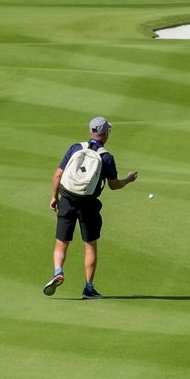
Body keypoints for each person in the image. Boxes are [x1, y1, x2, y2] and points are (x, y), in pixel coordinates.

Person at [45, 116, 137, 299]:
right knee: (90, 246)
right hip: (88, 204)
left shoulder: (75, 148)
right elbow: (113, 185)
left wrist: (54, 197)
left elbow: (58, 175)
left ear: (91, 132)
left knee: (62, 242)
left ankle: (58, 271)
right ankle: (88, 288)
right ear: (105, 134)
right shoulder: (106, 157)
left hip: (67, 199)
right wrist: (128, 179)